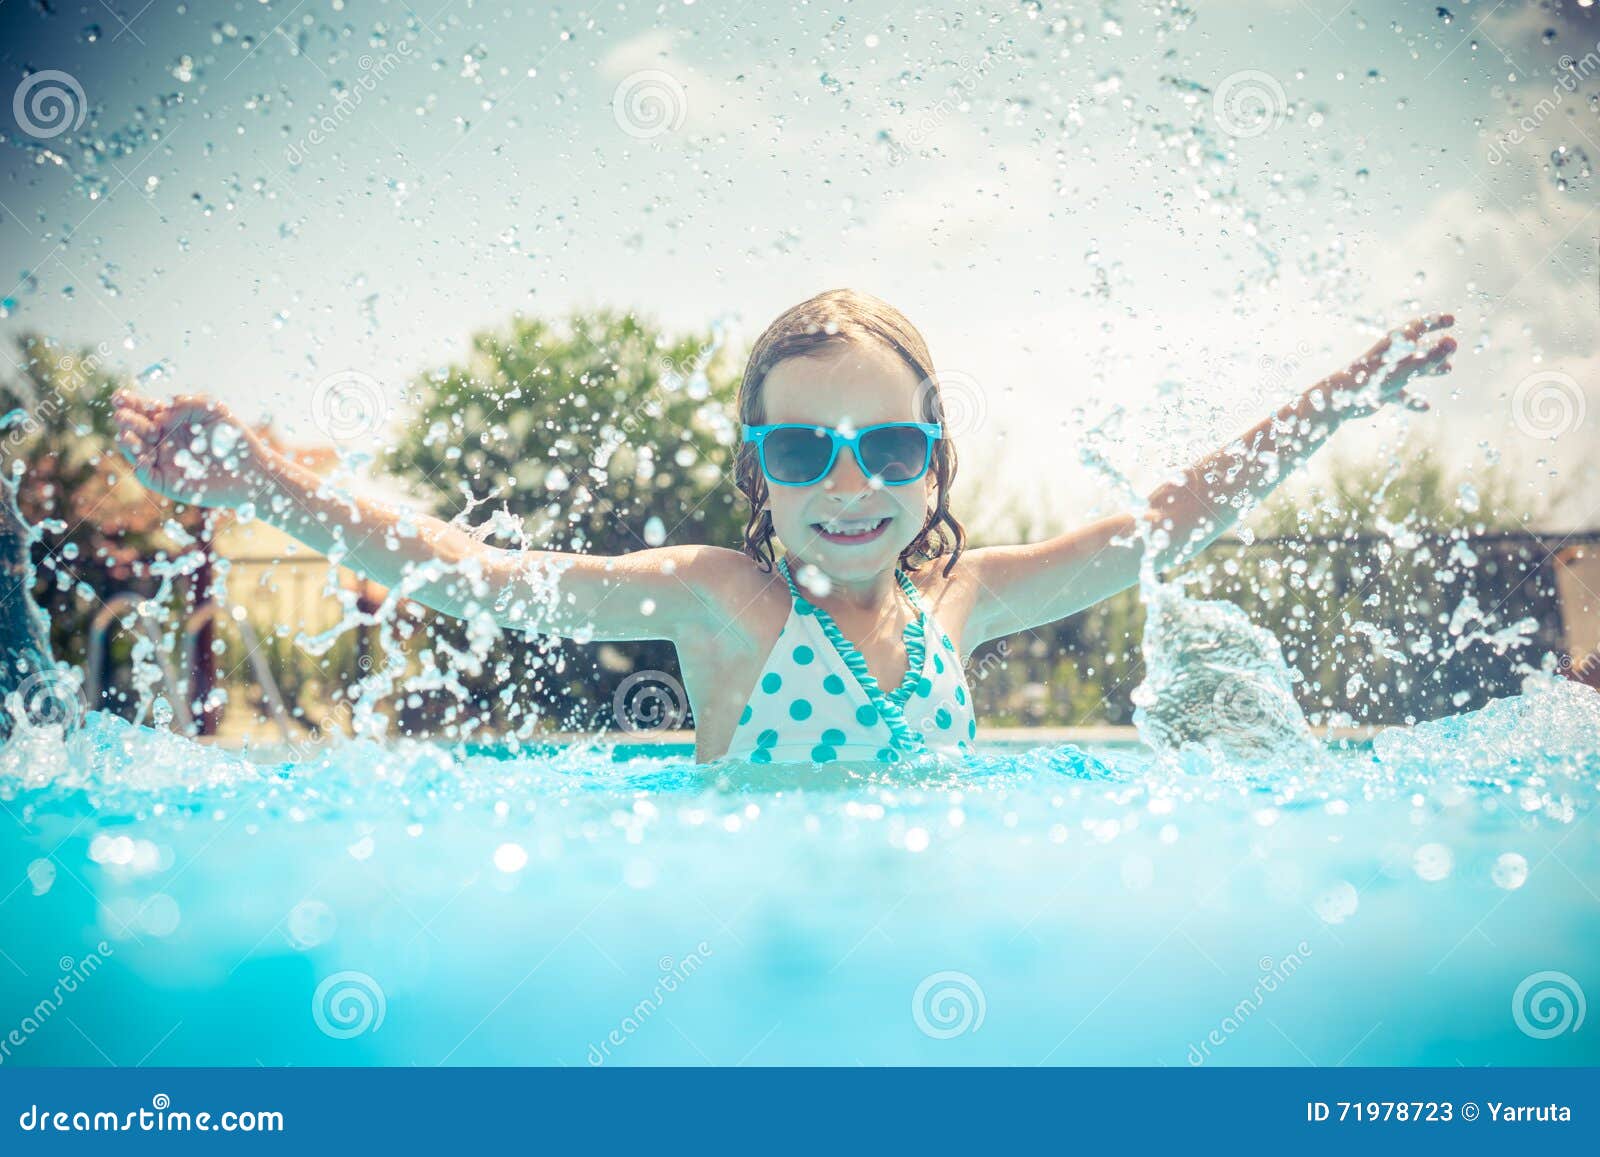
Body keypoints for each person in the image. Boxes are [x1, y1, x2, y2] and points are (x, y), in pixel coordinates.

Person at [109, 289, 1459, 763]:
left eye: (888, 445)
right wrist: (270, 489)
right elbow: (480, 582)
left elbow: (1166, 523)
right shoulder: (719, 599)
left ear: (934, 462)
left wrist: (1337, 402)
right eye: (806, 447)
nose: (849, 480)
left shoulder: (966, 601)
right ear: (761, 470)